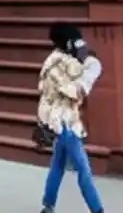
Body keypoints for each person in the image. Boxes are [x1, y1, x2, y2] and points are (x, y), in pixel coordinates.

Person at [37, 23, 104, 213]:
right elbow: (79, 86)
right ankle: (97, 209)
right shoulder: (63, 65)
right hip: (65, 124)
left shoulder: (56, 61)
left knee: (57, 166)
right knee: (83, 170)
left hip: (61, 121)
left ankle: (48, 206)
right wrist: (88, 61)